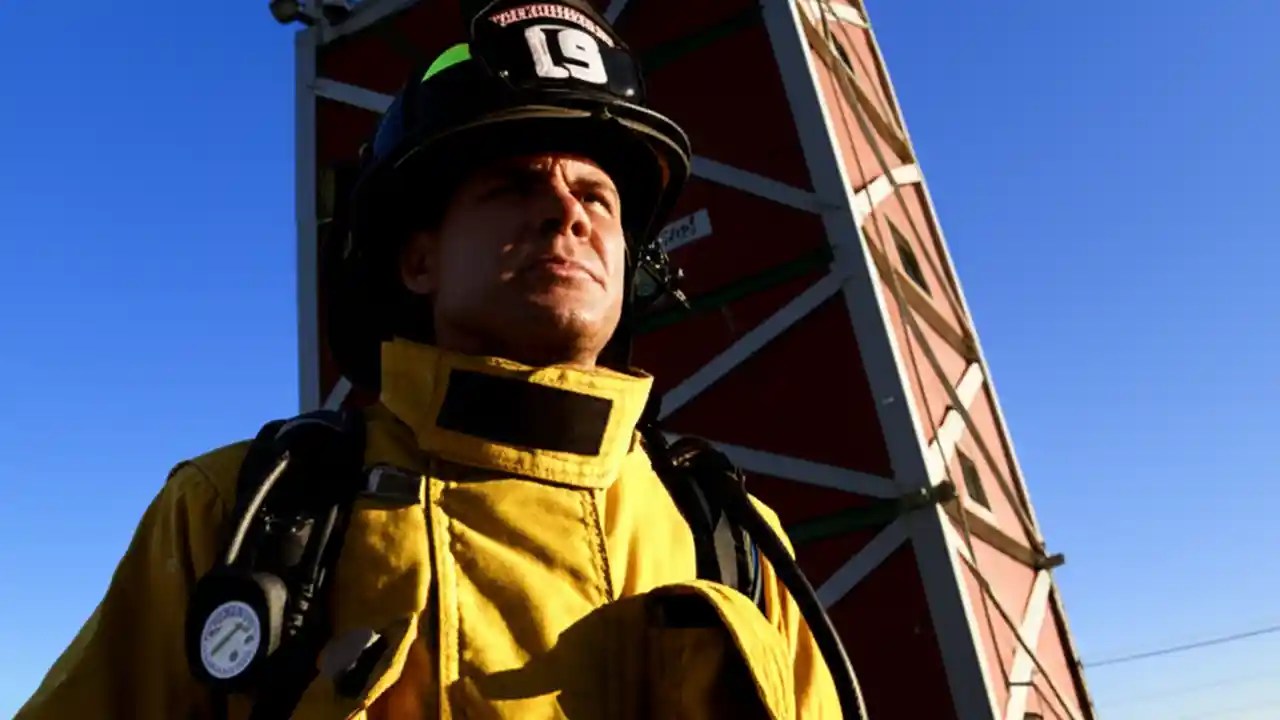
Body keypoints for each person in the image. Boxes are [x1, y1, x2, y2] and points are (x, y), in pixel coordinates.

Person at [14, 1, 852, 718]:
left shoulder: (735, 541)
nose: (567, 214)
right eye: (515, 185)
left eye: (597, 195)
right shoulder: (238, 515)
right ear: (417, 261)